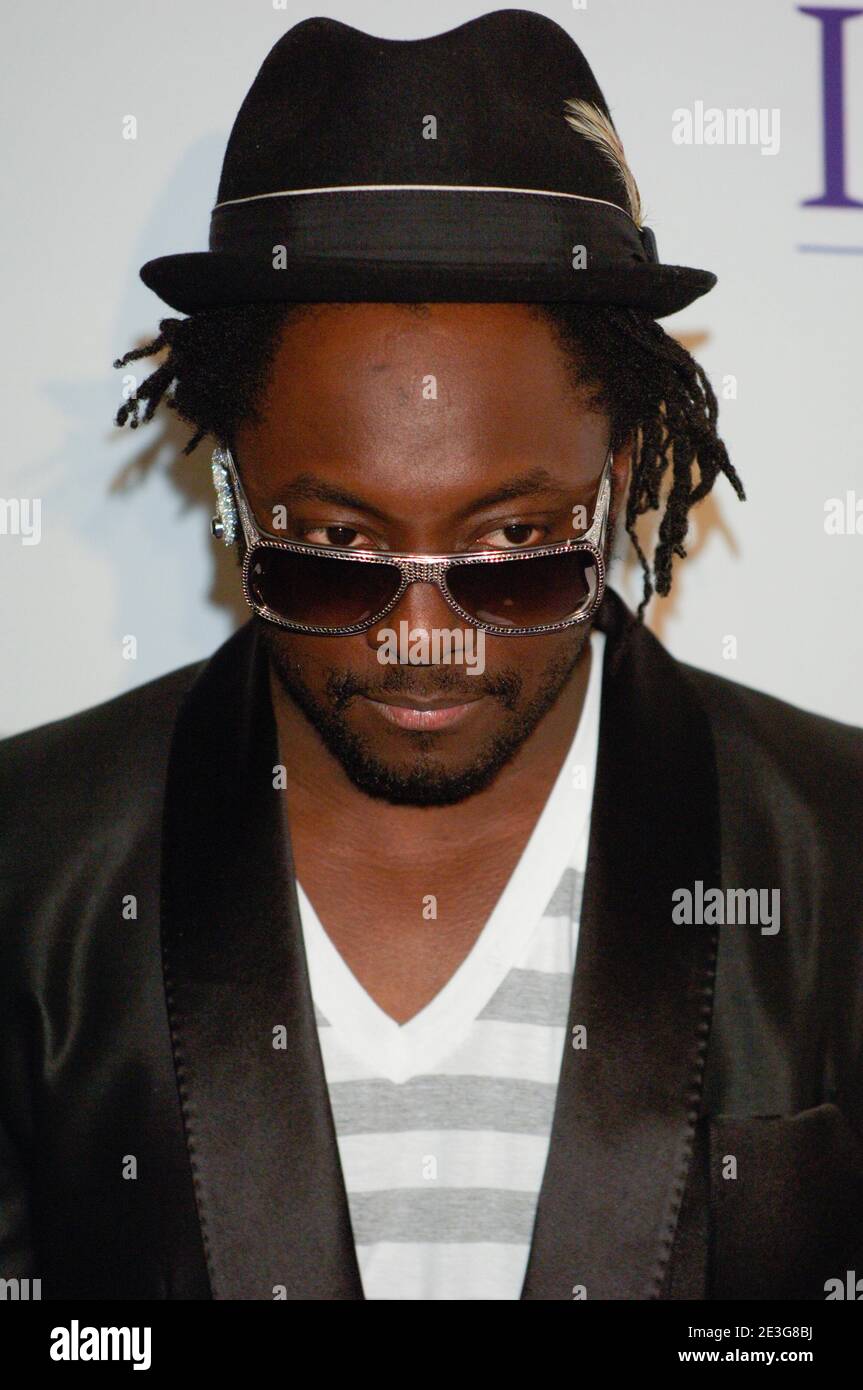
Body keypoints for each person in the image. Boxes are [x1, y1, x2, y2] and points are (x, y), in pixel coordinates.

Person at [1, 10, 861, 1302]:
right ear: (230, 490)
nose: (418, 636)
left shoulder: (839, 851)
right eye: (335, 548)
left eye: (514, 544)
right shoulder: (29, 866)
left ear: (617, 478)